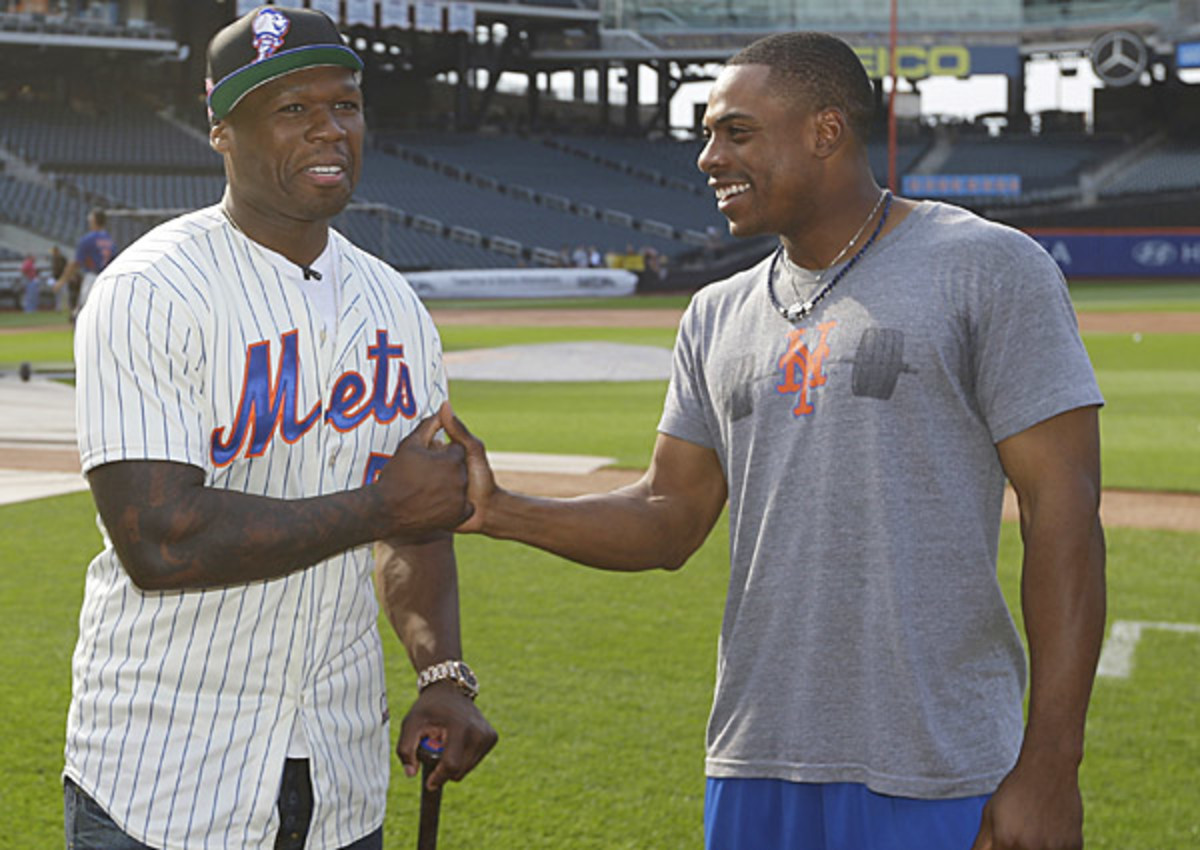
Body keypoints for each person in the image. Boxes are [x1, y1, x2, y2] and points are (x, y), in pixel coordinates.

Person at [440, 31, 1106, 850]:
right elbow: (666, 515)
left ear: (826, 131)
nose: (708, 157)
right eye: (710, 133)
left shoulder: (987, 267)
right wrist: (499, 510)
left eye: (736, 131)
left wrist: (1051, 764)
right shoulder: (716, 312)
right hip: (754, 758)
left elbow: (1063, 516)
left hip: (936, 763)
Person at [63, 7, 496, 849]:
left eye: (345, 105)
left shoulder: (395, 306)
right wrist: (380, 509)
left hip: (339, 769)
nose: (329, 129)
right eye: (291, 109)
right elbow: (161, 543)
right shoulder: (150, 290)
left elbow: (419, 524)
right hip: (163, 774)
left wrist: (440, 671)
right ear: (222, 130)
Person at [54, 207, 116, 319]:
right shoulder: (109, 240)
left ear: (94, 221)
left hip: (92, 277)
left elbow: (75, 263)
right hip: (107, 279)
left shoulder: (88, 239)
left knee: (83, 311)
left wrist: (62, 281)